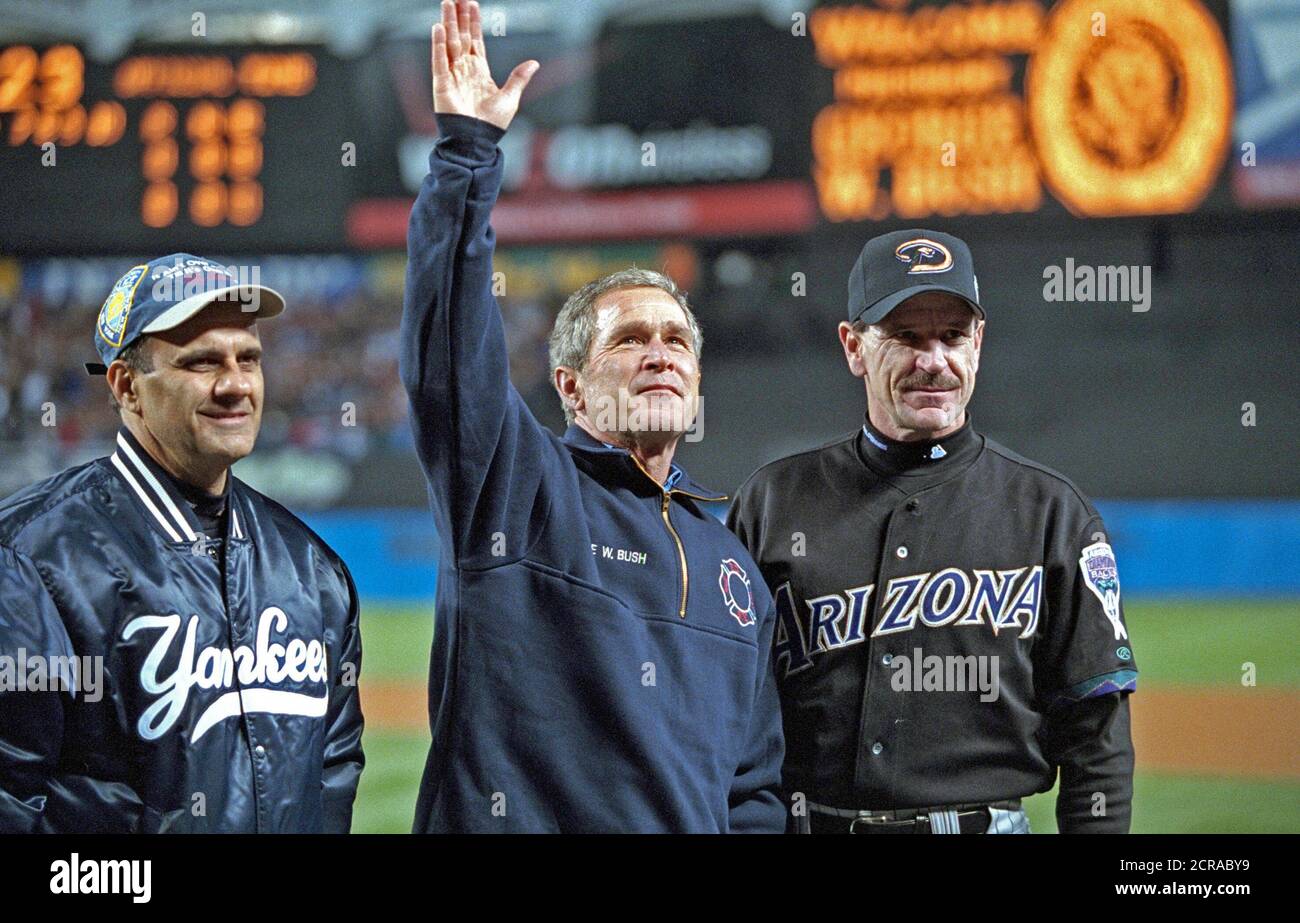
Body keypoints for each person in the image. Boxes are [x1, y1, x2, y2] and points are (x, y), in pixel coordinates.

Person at [403, 0, 783, 833]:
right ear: (570, 387)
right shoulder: (518, 494)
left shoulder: (734, 567)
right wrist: (467, 155)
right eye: (631, 339)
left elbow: (754, 789)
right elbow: (448, 361)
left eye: (678, 339)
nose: (661, 352)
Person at [727, 229, 1137, 834]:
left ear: (978, 344)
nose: (933, 361)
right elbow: (722, 712)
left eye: (951, 336)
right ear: (854, 348)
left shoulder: (1052, 513)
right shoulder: (771, 503)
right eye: (906, 337)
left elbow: (1095, 743)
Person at [0, 253, 364, 833]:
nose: (236, 384)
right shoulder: (29, 557)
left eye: (249, 358)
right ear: (126, 386)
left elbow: (333, 771)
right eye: (201, 363)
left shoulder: (312, 571)